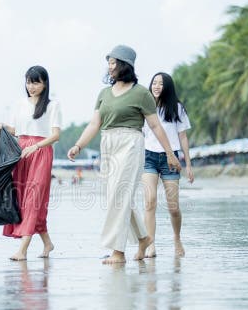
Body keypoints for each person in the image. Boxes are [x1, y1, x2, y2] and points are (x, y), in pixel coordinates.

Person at [67, 45, 180, 264]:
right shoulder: (104, 93)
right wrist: (78, 145)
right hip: (108, 144)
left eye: (113, 63)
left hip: (130, 143)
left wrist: (170, 154)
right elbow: (94, 123)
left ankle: (117, 251)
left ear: (124, 65)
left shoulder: (141, 93)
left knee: (119, 195)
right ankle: (143, 238)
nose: (109, 67)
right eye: (108, 63)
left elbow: (156, 127)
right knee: (116, 198)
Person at [0, 65, 61, 261]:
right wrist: (4, 127)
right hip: (22, 152)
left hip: (41, 152)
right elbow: (16, 130)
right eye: (28, 82)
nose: (31, 86)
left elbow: (56, 135)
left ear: (44, 83)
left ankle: (22, 250)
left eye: (36, 82)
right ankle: (47, 243)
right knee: (22, 198)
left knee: (33, 200)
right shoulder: (20, 104)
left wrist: (36, 147)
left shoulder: (52, 105)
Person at [141, 72, 194, 258]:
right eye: (154, 83)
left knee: (173, 206)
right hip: (149, 158)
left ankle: (177, 238)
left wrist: (188, 164)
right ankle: (151, 244)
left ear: (167, 87)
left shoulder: (177, 108)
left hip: (171, 160)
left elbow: (183, 137)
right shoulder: (145, 108)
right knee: (149, 202)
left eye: (160, 84)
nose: (156, 86)